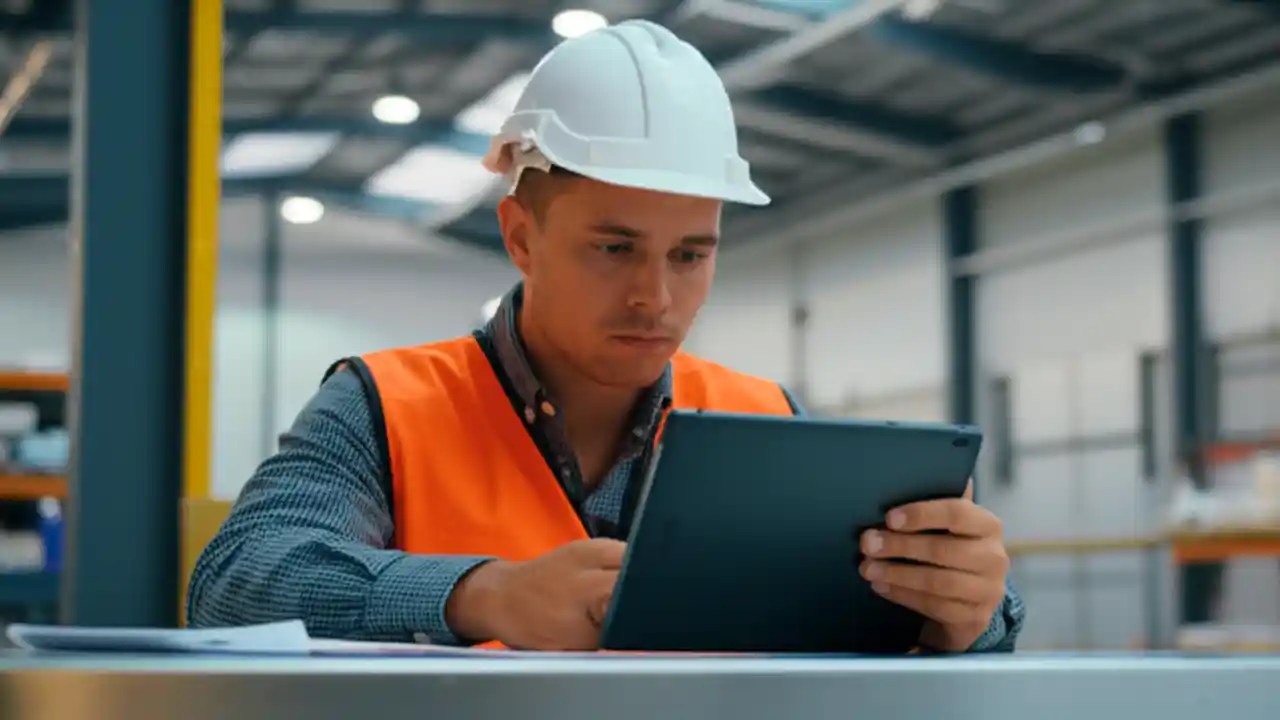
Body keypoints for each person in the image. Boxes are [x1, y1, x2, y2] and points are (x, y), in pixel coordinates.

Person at [188, 19, 1024, 653]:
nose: (654, 297)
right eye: (614, 248)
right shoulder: (385, 406)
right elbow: (236, 584)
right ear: (520, 237)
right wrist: (483, 595)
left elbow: (859, 637)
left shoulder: (763, 417)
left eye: (691, 254)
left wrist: (967, 615)